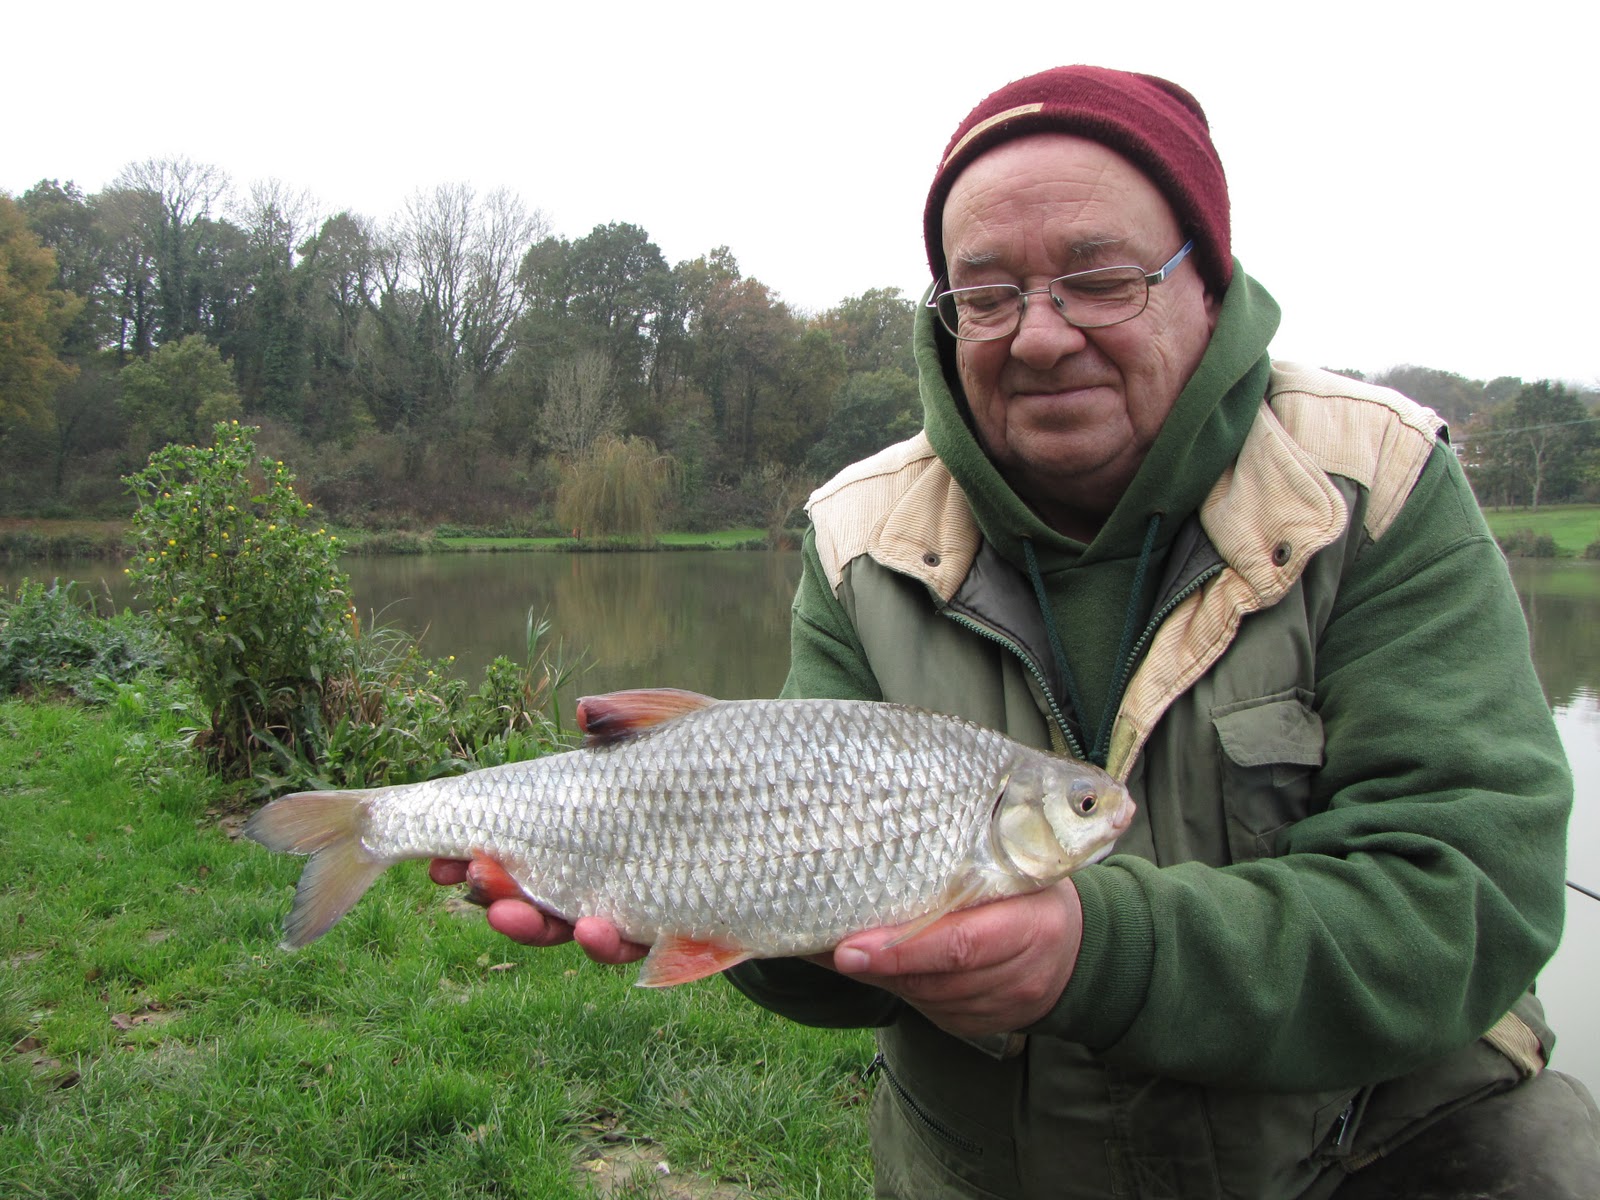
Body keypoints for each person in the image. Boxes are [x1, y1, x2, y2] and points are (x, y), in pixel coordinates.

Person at [434, 66, 1600, 1198]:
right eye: (986, 295)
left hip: (1371, 1147)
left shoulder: (1375, 483)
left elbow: (1465, 897)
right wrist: (724, 903)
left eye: (1101, 280)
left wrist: (1099, 951)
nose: (1038, 336)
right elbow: (843, 977)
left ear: (1210, 281)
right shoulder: (856, 537)